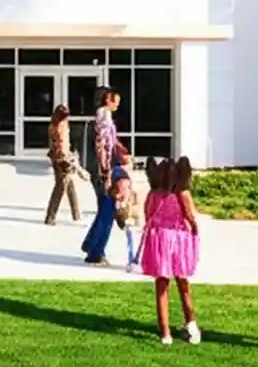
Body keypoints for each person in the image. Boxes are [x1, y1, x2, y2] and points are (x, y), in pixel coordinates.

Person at [140, 156, 202, 344]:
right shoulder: (182, 193)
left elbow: (147, 214)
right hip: (179, 240)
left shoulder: (153, 193)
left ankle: (165, 332)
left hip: (159, 240)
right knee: (183, 284)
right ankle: (190, 322)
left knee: (162, 286)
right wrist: (195, 229)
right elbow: (190, 216)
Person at [80, 86, 126, 266]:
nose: (118, 104)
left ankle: (91, 244)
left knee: (103, 209)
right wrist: (107, 174)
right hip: (104, 173)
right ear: (108, 100)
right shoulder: (104, 122)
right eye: (116, 101)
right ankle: (95, 253)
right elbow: (103, 150)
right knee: (107, 211)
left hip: (99, 172)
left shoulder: (101, 120)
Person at [44, 104, 81, 225]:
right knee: (60, 188)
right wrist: (68, 158)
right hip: (62, 160)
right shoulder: (61, 127)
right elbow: (62, 144)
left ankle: (76, 214)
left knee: (69, 186)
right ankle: (50, 217)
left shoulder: (52, 125)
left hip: (56, 158)